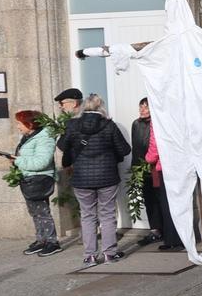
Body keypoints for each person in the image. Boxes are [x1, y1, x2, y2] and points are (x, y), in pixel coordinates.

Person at [57, 93, 130, 266]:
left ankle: (90, 255)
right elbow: (125, 150)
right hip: (107, 177)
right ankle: (109, 254)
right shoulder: (109, 125)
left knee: (87, 216)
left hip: (82, 178)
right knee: (107, 215)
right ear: (101, 107)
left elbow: (61, 146)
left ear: (83, 107)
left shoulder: (72, 124)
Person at [10, 110, 62, 257]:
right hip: (29, 178)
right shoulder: (29, 137)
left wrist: (18, 160)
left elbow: (41, 162)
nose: (18, 127)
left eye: (20, 123)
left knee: (42, 212)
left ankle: (52, 242)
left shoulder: (44, 137)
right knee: (35, 212)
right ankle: (42, 240)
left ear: (30, 124)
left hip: (39, 179)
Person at [130, 97, 163, 246]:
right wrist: (134, 167)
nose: (142, 109)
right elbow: (135, 147)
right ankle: (154, 230)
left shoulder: (156, 123)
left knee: (160, 198)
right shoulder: (136, 124)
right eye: (141, 106)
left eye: (146, 107)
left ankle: (165, 228)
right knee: (148, 199)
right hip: (141, 167)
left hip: (155, 167)